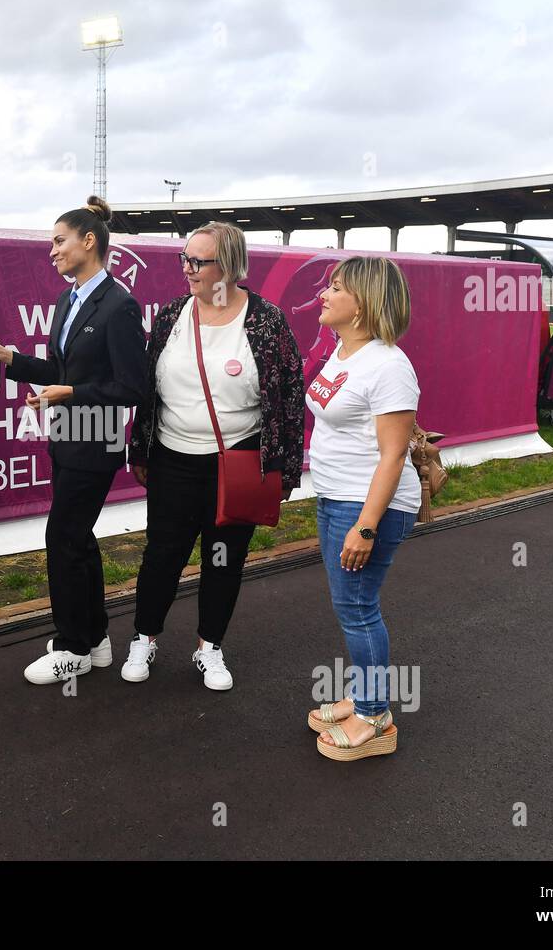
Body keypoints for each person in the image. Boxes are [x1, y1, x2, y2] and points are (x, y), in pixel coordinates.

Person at [0, 196, 148, 684]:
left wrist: (72, 392)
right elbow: (61, 370)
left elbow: (131, 386)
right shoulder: (67, 300)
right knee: (77, 539)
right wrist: (9, 357)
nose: (51, 251)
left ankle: (72, 645)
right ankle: (93, 639)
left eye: (58, 241)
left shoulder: (119, 305)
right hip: (69, 439)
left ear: (88, 241)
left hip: (96, 442)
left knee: (63, 537)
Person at [124, 222, 304, 690]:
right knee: (161, 556)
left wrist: (282, 470)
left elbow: (287, 394)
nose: (187, 269)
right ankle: (144, 637)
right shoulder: (171, 316)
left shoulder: (266, 320)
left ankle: (210, 646)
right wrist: (139, 446)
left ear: (230, 267)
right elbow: (149, 386)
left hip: (237, 464)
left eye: (198, 261)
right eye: (184, 258)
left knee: (223, 560)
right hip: (172, 458)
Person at [305, 256, 419, 761]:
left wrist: (366, 527)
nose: (324, 294)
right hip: (336, 497)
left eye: (336, 288)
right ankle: (366, 699)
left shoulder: (389, 364)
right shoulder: (345, 353)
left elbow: (394, 454)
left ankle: (375, 718)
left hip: (368, 506)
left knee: (357, 608)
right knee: (351, 605)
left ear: (364, 304)